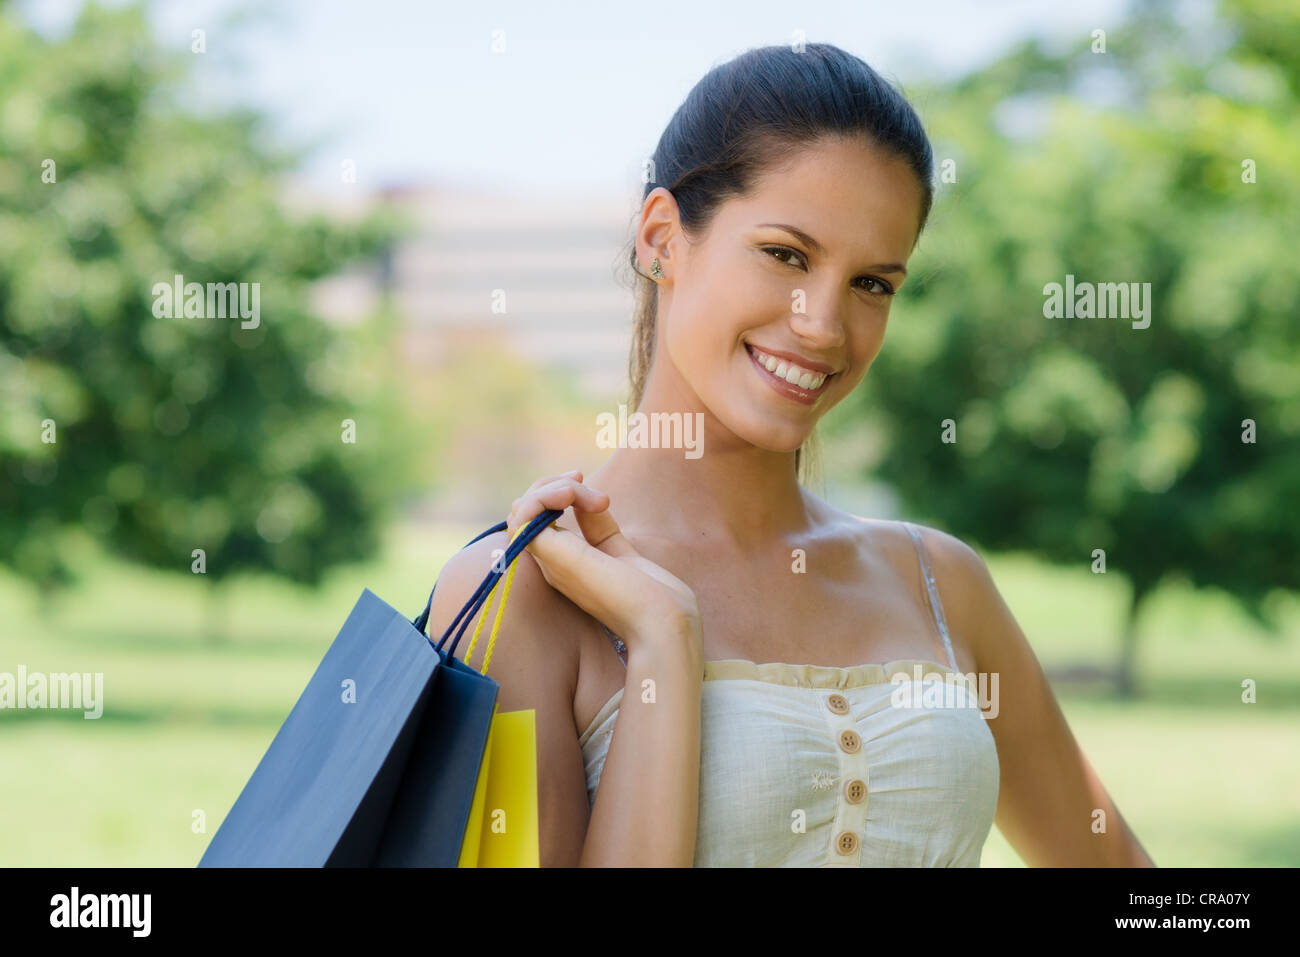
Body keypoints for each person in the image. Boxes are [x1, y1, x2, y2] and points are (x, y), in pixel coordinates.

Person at [428, 42, 1155, 868]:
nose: (824, 326)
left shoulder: (940, 583)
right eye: (786, 255)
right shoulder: (519, 592)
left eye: (873, 283)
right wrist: (665, 638)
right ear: (662, 238)